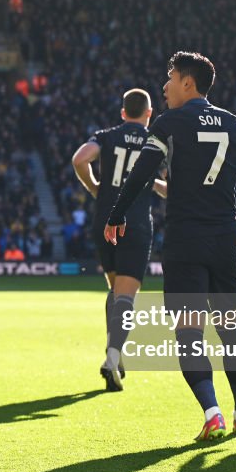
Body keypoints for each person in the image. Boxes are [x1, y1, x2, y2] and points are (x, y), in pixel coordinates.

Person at [105, 52, 236, 440]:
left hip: (184, 240)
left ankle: (212, 412)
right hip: (223, 240)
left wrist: (117, 214)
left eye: (170, 78)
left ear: (187, 82)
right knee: (231, 329)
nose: (164, 87)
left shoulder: (169, 123)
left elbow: (142, 174)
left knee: (189, 332)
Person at [71, 88, 166, 391]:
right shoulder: (156, 141)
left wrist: (96, 187)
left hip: (105, 219)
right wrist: (155, 185)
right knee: (127, 294)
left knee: (115, 290)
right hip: (136, 223)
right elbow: (164, 185)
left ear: (123, 112)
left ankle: (116, 350)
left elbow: (80, 159)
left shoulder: (107, 135)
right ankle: (112, 355)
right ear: (149, 114)